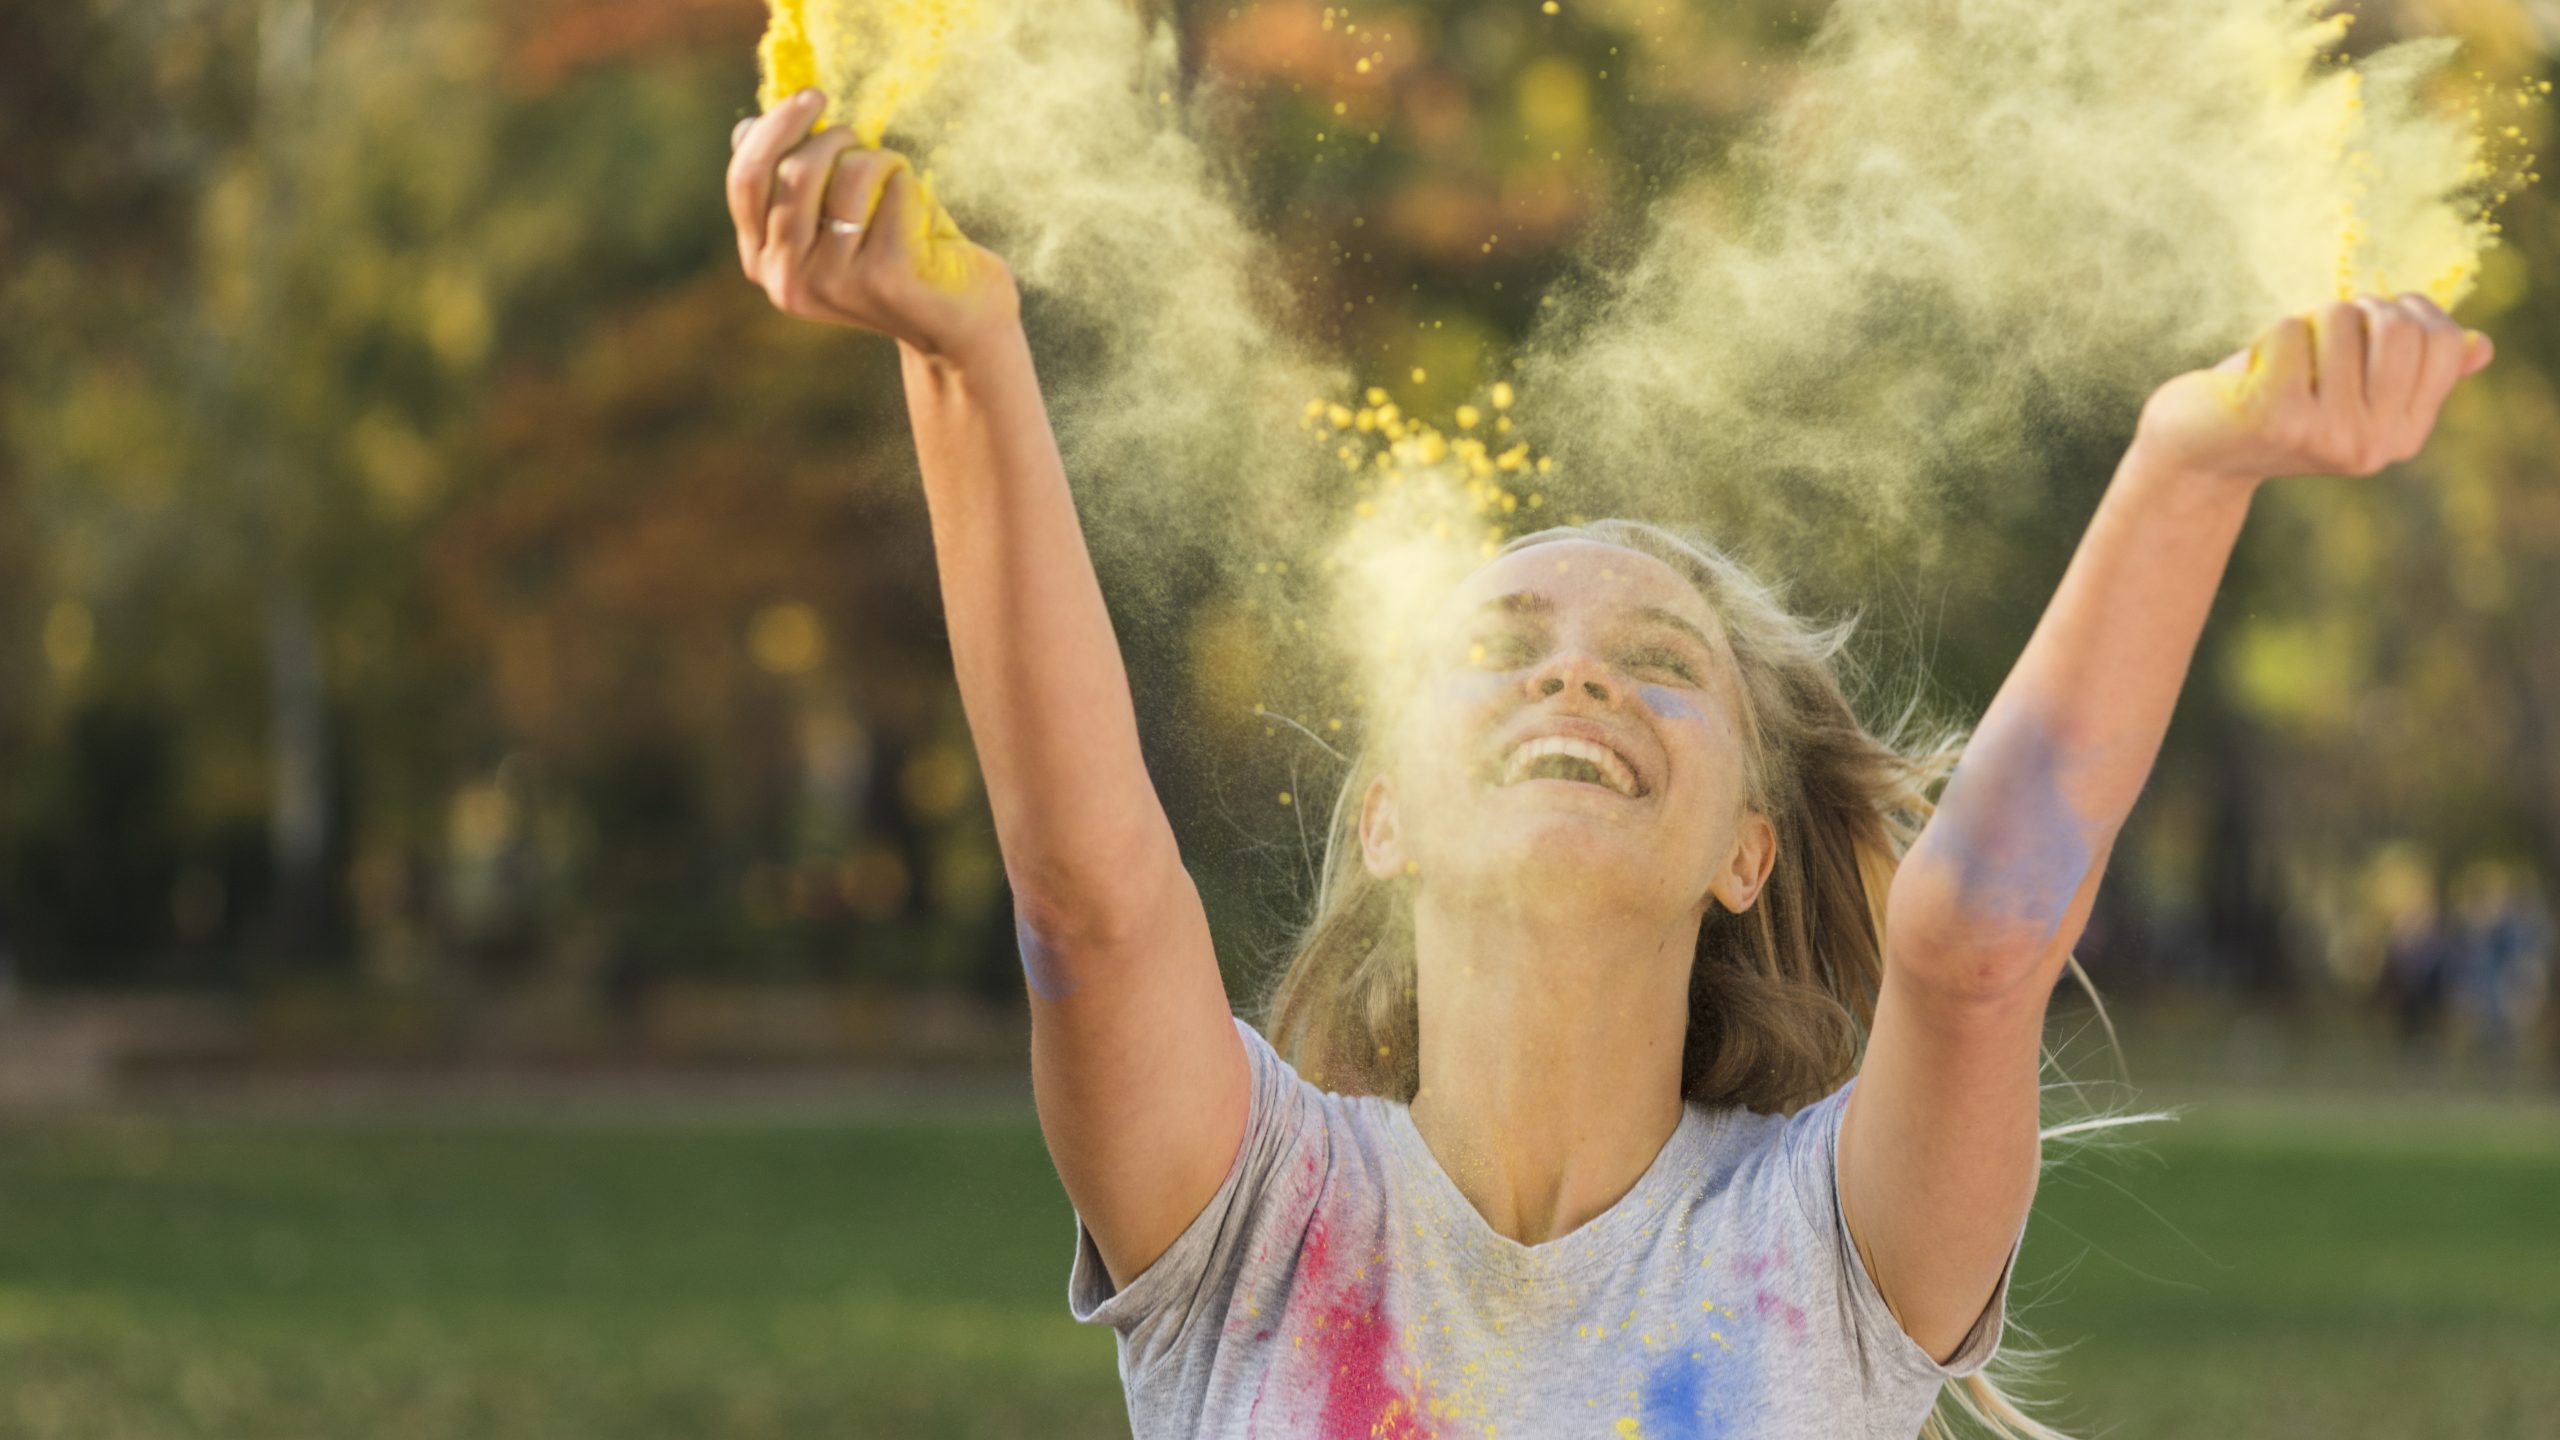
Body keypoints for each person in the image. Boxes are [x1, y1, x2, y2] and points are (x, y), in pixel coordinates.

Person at [724, 90, 2496, 1439]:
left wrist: (2190, 463)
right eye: (1502, 648)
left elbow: (1972, 948)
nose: (1576, 671)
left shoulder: (1825, 1248)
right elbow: (1089, 901)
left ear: (1747, 846)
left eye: (1661, 665)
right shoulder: (1257, 1209)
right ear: (1388, 816)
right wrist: (964, 348)